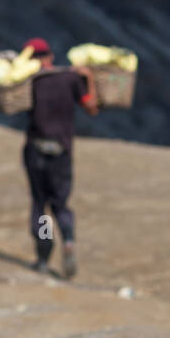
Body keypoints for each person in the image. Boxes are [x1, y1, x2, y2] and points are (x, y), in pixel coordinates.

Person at [19, 38, 98, 277]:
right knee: (60, 204)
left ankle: (43, 257)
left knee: (39, 203)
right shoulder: (70, 79)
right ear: (50, 56)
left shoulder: (27, 82)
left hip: (35, 149)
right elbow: (91, 107)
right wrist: (90, 79)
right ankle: (69, 243)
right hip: (61, 150)